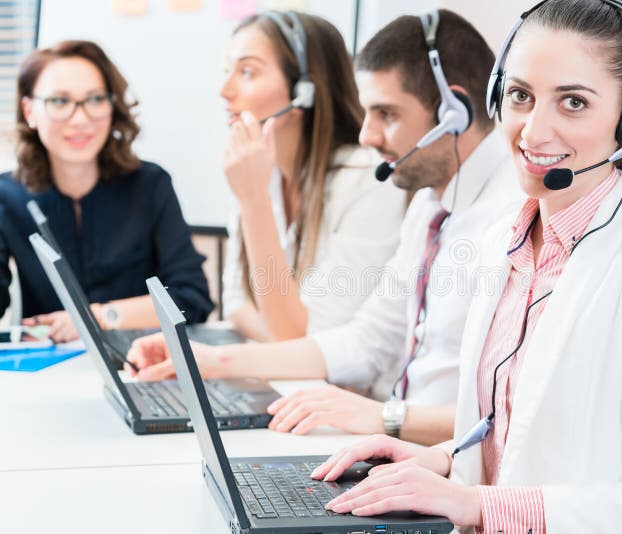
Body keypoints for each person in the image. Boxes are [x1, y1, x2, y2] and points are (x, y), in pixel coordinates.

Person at [309, 1, 622, 532]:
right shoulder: (505, 242)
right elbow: (518, 437)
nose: (532, 131)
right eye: (521, 96)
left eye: (573, 102)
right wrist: (437, 461)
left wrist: (477, 505)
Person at [128, 10, 524, 446]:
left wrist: (383, 417)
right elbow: (371, 339)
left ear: (456, 113)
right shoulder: (431, 202)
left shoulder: (514, 217)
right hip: (405, 448)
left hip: (448, 466)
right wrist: (208, 359)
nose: (367, 135)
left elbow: (511, 414)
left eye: (386, 114)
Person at [0, 40, 212, 343]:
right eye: (60, 101)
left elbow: (192, 298)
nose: (81, 118)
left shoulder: (151, 185)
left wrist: (99, 317)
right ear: (29, 110)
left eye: (96, 99)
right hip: (51, 372)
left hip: (143, 363)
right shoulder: (7, 195)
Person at [219, 11, 406, 341]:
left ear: (303, 90)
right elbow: (236, 303)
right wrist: (283, 344)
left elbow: (304, 338)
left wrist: (254, 203)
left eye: (247, 72)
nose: (224, 90)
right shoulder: (260, 168)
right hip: (280, 374)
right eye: (227, 71)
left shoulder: (368, 181)